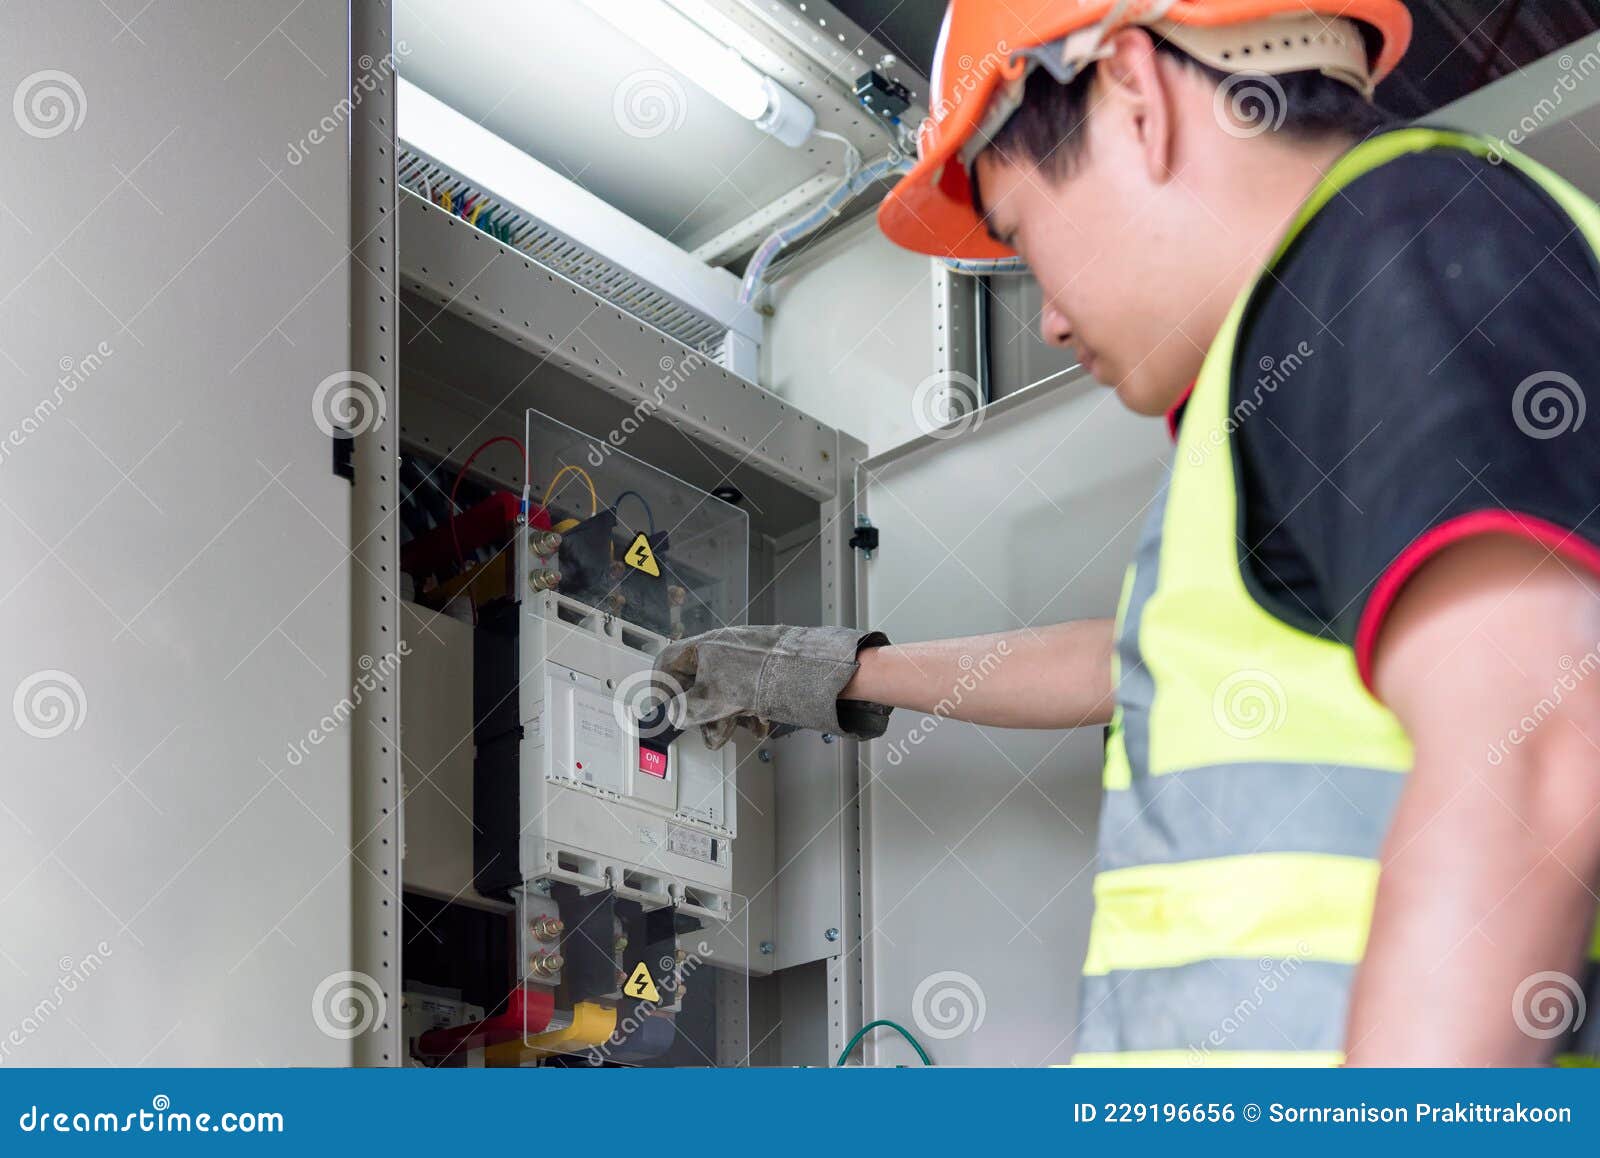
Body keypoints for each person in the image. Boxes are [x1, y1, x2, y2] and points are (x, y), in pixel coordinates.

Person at [656, 0, 1600, 1065]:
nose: (1049, 320)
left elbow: (1534, 744)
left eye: (1018, 234)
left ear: (1137, 96)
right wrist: (835, 672)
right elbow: (1145, 659)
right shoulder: (1316, 329)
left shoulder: (1392, 243)